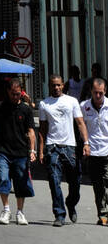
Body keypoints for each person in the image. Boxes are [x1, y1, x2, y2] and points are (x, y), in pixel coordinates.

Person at [38, 72, 89, 226]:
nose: (56, 87)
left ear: (63, 85)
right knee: (54, 181)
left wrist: (86, 143)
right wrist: (40, 150)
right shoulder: (44, 104)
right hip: (52, 147)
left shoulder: (72, 101)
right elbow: (42, 130)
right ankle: (59, 214)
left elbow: (80, 123)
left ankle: (71, 203)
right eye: (53, 85)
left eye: (59, 85)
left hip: (70, 147)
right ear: (50, 86)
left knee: (75, 182)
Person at [0, 77, 36, 225]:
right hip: (4, 151)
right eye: (13, 94)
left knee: (21, 183)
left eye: (18, 94)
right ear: (8, 92)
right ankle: (6, 209)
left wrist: (32, 150)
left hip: (21, 152)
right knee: (3, 178)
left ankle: (20, 212)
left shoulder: (26, 110)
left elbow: (31, 132)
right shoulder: (0, 108)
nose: (16, 97)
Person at [81, 78, 108, 225]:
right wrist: (85, 144)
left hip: (107, 151)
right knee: (98, 186)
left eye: (101, 93)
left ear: (105, 92)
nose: (98, 96)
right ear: (91, 91)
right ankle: (103, 215)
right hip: (93, 152)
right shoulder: (84, 107)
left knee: (106, 181)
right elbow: (81, 126)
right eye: (95, 93)